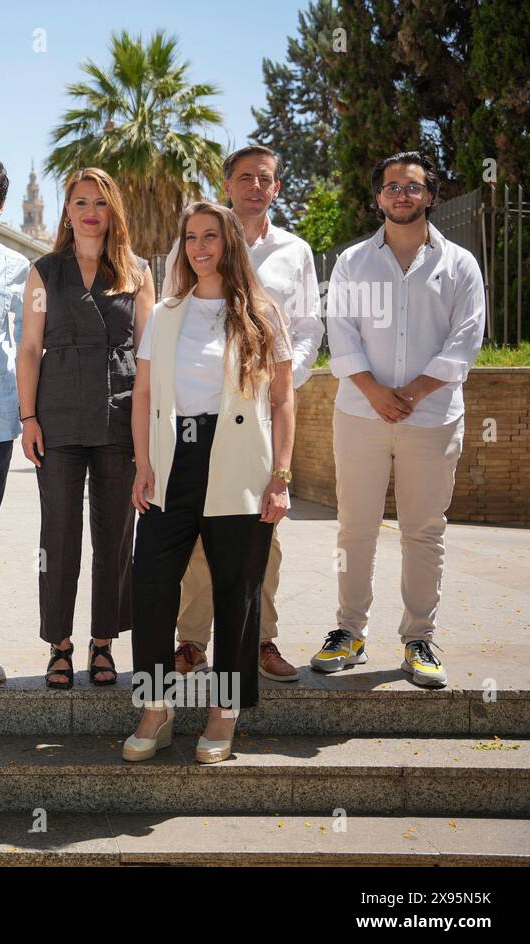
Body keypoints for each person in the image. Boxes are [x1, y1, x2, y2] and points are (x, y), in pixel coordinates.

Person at [126, 201, 294, 765]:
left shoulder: (263, 313)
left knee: (236, 591)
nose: (200, 247)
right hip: (174, 461)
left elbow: (283, 399)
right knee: (149, 582)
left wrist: (282, 477)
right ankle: (156, 705)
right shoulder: (167, 313)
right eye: (191, 237)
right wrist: (143, 464)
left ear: (230, 244)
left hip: (241, 465)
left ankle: (225, 710)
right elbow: (144, 396)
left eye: (211, 237)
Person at [313, 151, 485, 688]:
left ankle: (418, 639)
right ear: (377, 197)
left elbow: (466, 338)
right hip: (359, 415)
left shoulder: (459, 264)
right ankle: (349, 632)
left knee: (424, 532)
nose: (401, 195)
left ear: (430, 195)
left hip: (432, 418)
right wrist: (374, 393)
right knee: (354, 529)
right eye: (391, 187)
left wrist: (409, 393)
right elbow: (339, 333)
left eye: (412, 187)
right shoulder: (351, 263)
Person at [162, 145, 323, 682]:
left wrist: (280, 381)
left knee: (263, 534)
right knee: (198, 539)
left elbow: (307, 328)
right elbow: (170, 322)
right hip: (197, 421)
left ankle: (261, 640)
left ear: (277, 188)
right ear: (227, 184)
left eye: (266, 179)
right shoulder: (192, 245)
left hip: (257, 420)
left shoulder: (294, 252)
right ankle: (191, 642)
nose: (256, 186)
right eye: (245, 178)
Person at [17, 168, 154, 688]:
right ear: (67, 212)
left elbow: (148, 357)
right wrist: (28, 417)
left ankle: (102, 641)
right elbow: (30, 349)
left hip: (119, 416)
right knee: (59, 533)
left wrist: (146, 443)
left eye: (99, 201)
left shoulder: (137, 272)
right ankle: (59, 642)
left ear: (112, 209)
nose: (90, 210)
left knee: (115, 535)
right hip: (56, 418)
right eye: (79, 201)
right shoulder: (43, 272)